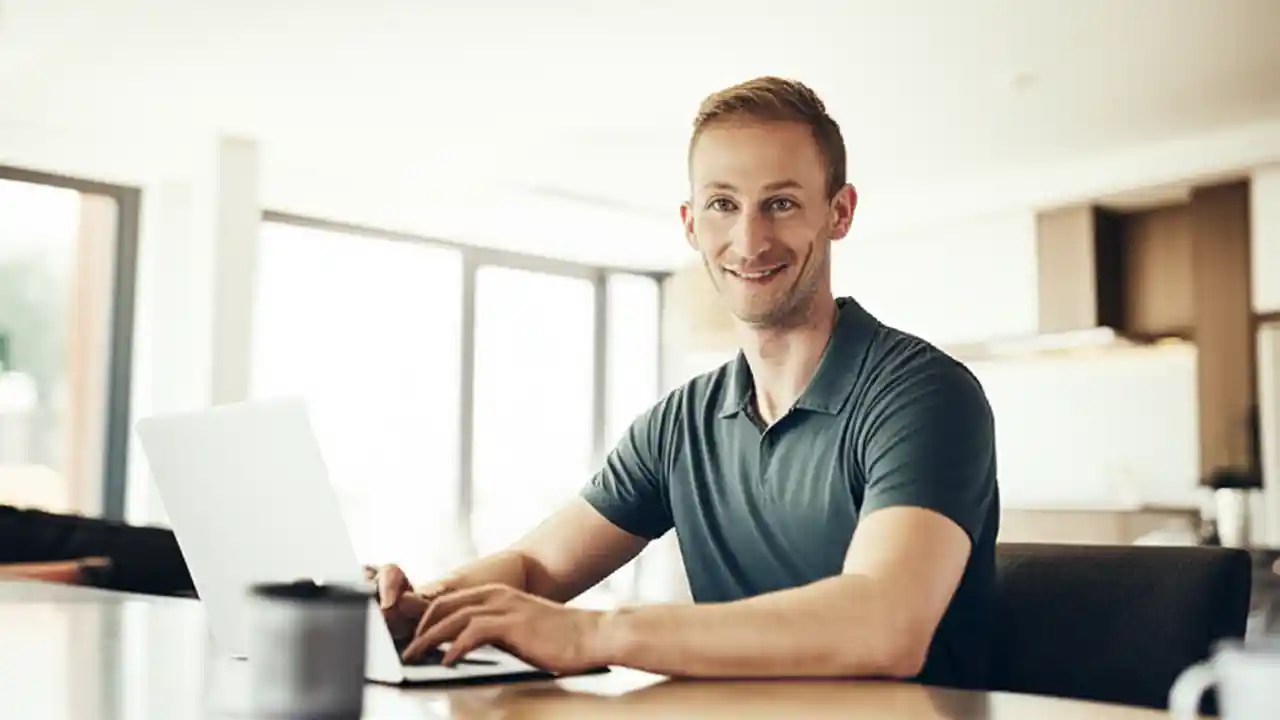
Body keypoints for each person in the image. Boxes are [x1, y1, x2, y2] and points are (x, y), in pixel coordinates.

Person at [376, 76, 1000, 689]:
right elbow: (538, 568)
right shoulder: (681, 424)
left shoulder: (922, 396)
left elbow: (883, 626)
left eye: (780, 203)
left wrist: (593, 634)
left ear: (839, 212)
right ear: (690, 222)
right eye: (723, 205)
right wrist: (418, 606)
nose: (749, 241)